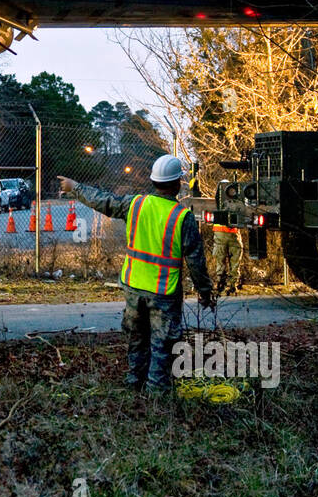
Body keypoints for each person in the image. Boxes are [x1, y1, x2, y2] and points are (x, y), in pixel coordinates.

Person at [57, 155, 215, 392]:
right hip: (164, 291)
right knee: (162, 344)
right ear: (177, 183)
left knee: (136, 339)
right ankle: (156, 393)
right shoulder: (182, 217)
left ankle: (134, 384)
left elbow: (104, 201)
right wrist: (204, 292)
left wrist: (75, 187)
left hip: (133, 287)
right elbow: (196, 261)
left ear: (153, 180)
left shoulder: (136, 204)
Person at [211, 222, 244, 295]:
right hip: (233, 234)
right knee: (235, 260)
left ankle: (220, 283)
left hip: (220, 234)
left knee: (220, 261)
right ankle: (232, 285)